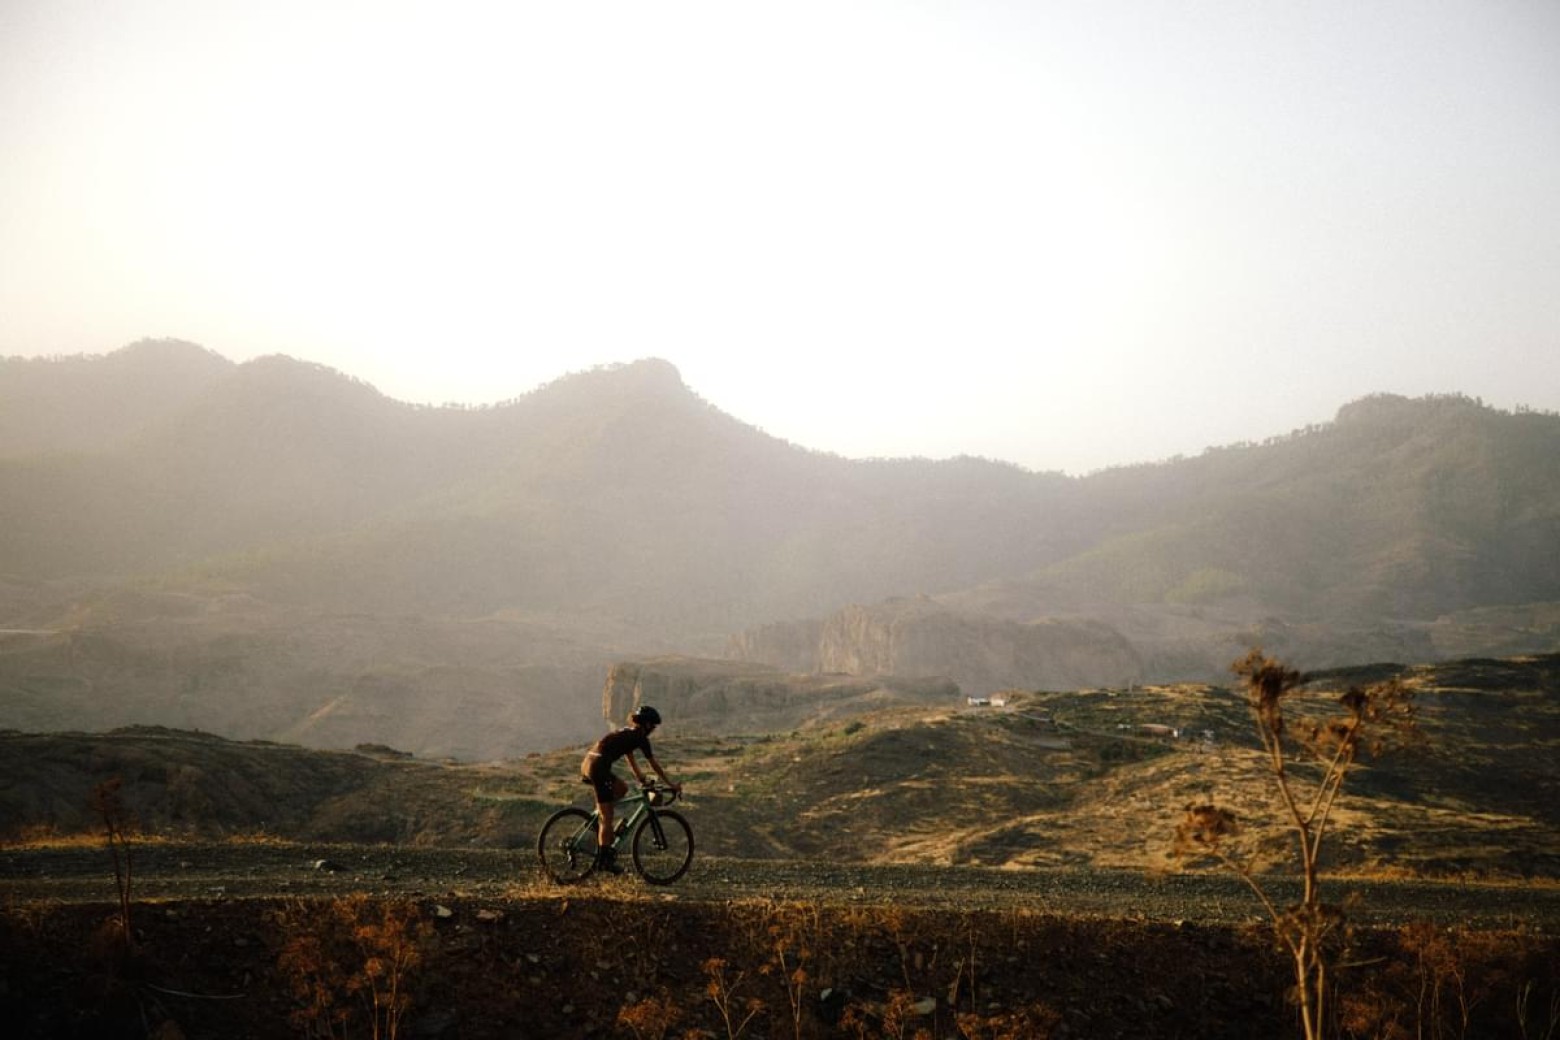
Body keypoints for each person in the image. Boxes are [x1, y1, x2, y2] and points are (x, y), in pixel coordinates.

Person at [579, 704, 681, 873]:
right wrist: (671, 785)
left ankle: (601, 820)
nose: (653, 730)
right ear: (647, 725)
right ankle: (604, 861)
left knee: (622, 789)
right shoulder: (641, 738)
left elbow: (630, 757)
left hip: (590, 763)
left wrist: (640, 778)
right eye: (653, 727)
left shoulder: (629, 733)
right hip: (598, 767)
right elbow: (654, 764)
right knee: (608, 816)